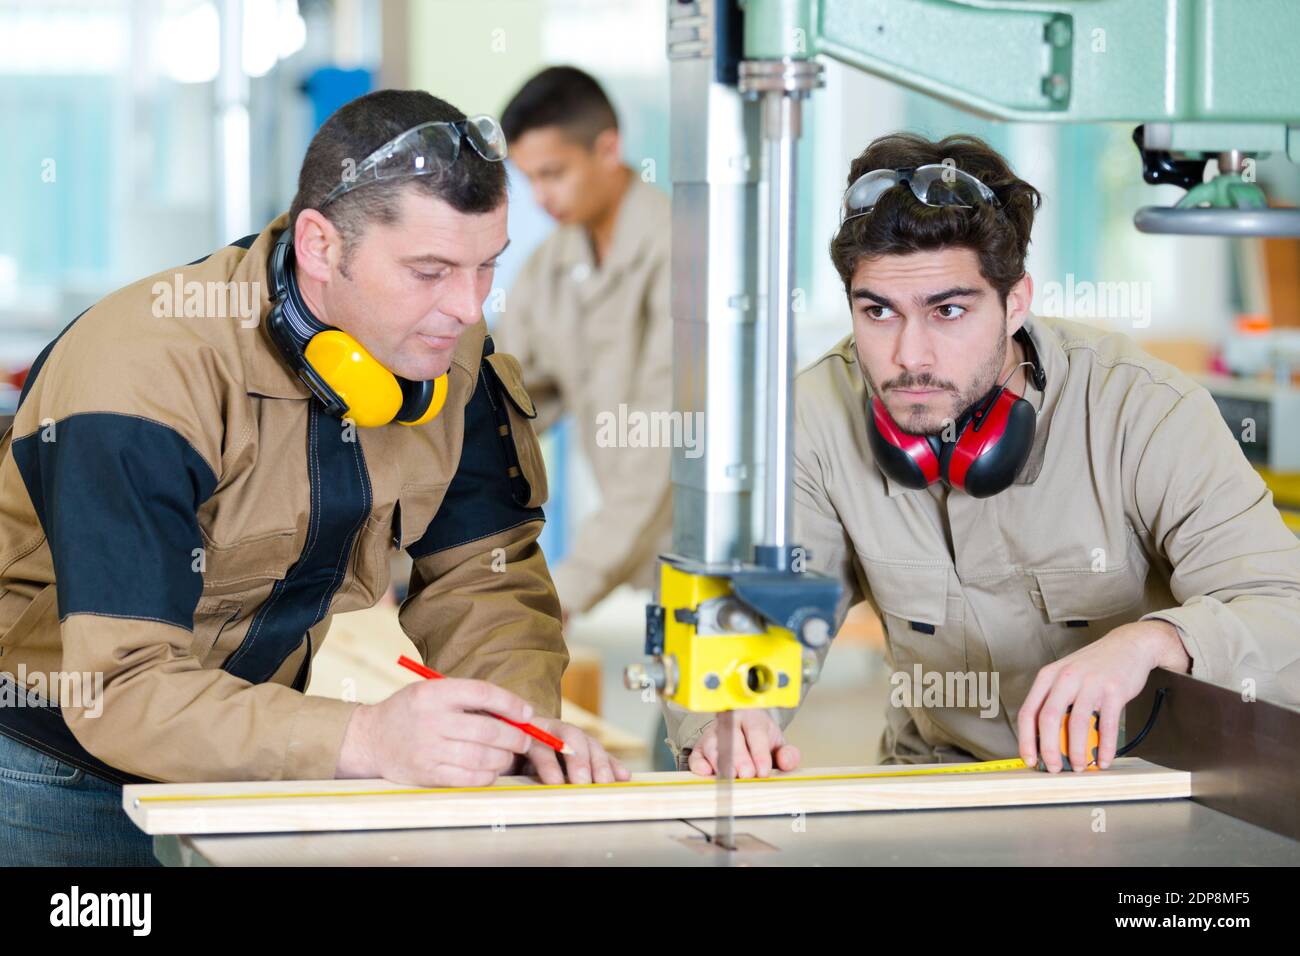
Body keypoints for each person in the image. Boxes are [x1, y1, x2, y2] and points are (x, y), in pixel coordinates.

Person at [0, 89, 627, 868]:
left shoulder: (443, 351)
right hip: (54, 766)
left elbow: (484, 576)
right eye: (430, 270)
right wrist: (364, 736)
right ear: (321, 247)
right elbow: (121, 689)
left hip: (251, 752)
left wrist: (512, 725)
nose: (467, 309)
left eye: (485, 268)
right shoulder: (142, 376)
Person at [670, 132, 1300, 778]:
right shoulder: (812, 416)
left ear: (1015, 303)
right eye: (878, 311)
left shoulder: (1143, 409)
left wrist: (1156, 641)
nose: (910, 356)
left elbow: (1285, 607)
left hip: (1140, 779)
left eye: (948, 310)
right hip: (942, 784)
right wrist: (725, 715)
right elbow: (744, 616)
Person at [496, 66, 672, 623]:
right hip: (655, 563)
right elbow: (500, 402)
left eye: (554, 173)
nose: (541, 196)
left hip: (723, 556)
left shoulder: (684, 249)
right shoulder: (551, 266)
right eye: (529, 179)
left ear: (609, 147)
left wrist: (566, 589)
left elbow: (662, 445)